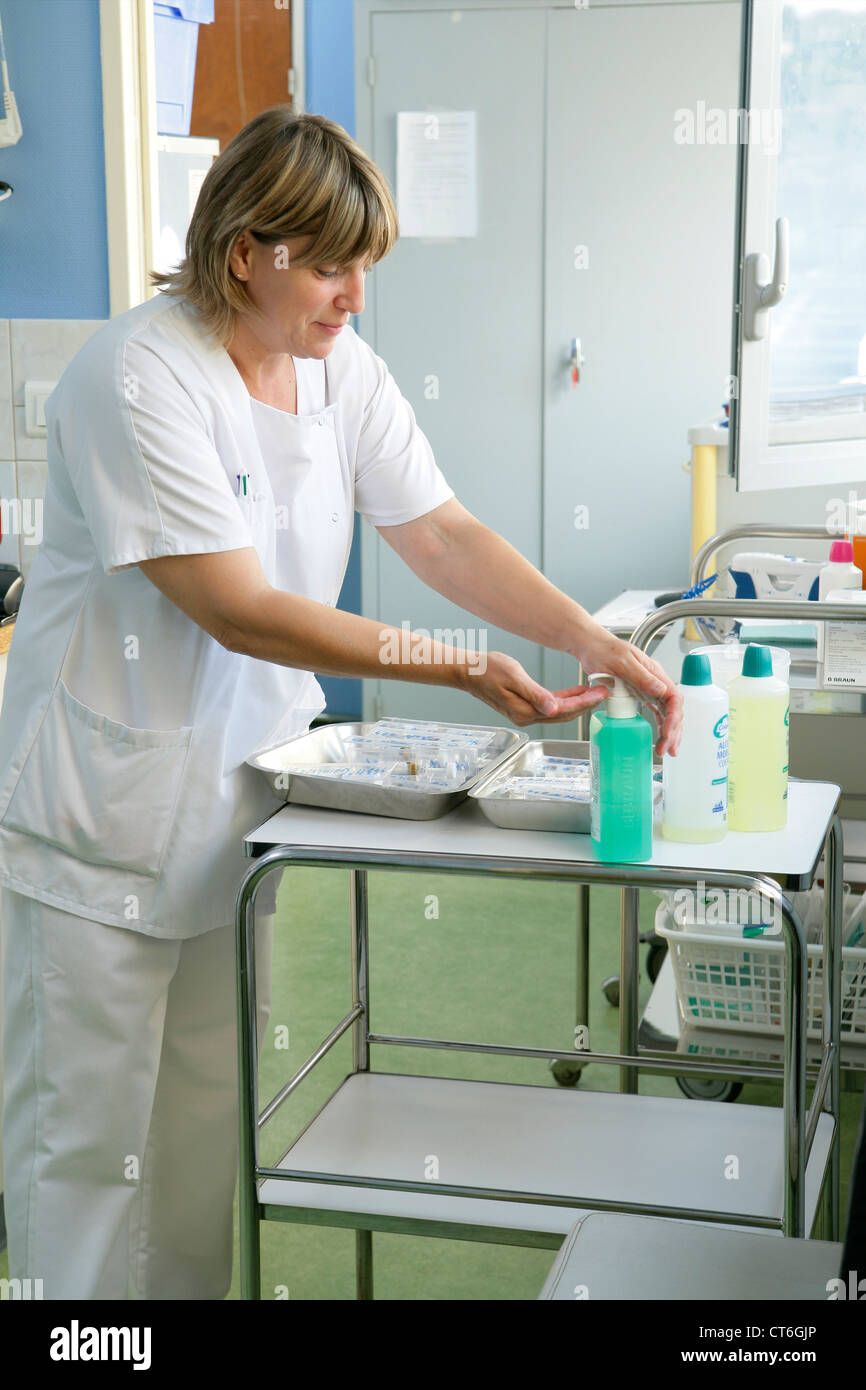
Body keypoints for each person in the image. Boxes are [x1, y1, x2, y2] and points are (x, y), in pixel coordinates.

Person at [0, 106, 681, 1300]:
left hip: (235, 811)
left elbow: (440, 530)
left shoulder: (336, 368)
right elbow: (237, 606)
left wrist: (596, 641)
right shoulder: (137, 375)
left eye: (364, 264)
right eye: (326, 264)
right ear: (242, 250)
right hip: (94, 831)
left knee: (203, 1134)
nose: (352, 295)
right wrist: (459, 666)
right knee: (84, 1158)